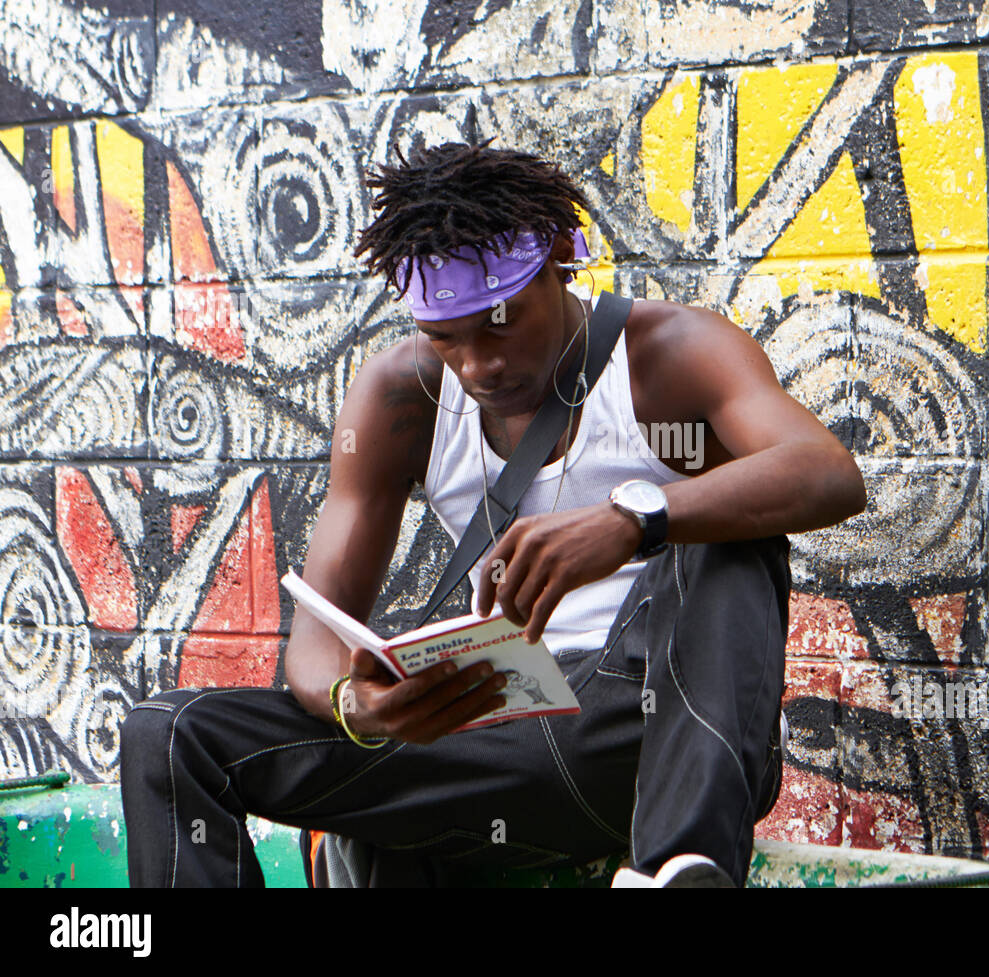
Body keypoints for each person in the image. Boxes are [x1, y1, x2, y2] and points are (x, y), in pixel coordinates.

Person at [119, 139, 866, 888]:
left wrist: (632, 519)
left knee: (729, 524)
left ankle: (679, 867)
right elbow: (313, 645)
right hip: (485, 746)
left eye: (501, 324)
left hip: (642, 740)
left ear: (561, 262)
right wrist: (364, 706)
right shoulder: (398, 397)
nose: (478, 365)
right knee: (170, 734)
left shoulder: (670, 352)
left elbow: (827, 472)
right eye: (448, 337)